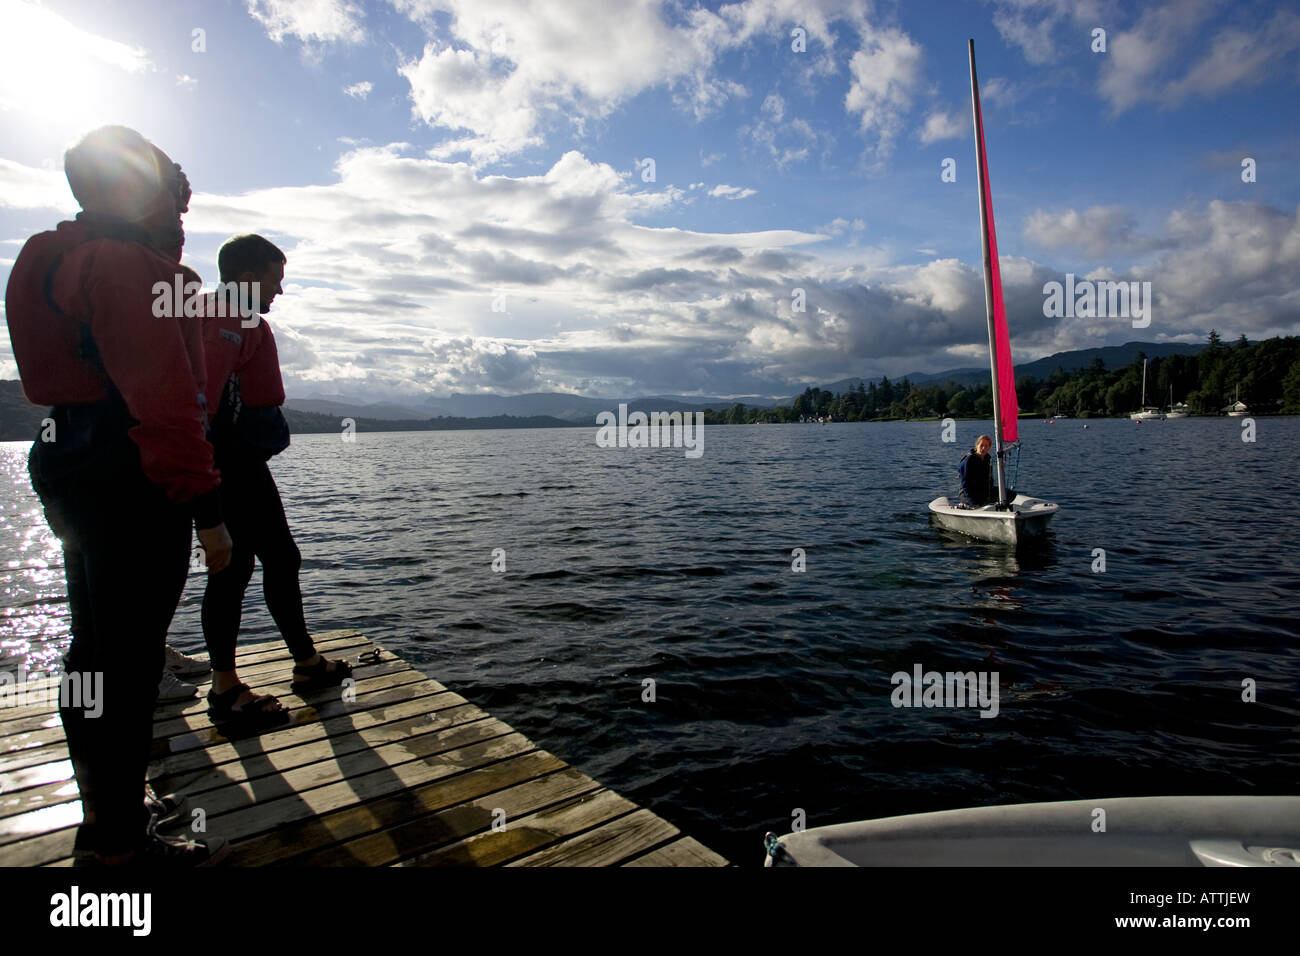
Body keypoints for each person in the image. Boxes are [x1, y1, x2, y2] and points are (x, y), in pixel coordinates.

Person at [4, 125, 232, 866]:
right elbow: (164, 405)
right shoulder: (132, 271)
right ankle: (119, 842)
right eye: (172, 191)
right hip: (128, 471)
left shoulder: (50, 259)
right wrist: (206, 511)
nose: (180, 210)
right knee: (129, 662)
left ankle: (106, 810)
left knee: (93, 651)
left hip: (67, 456)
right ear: (134, 187)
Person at [198, 234, 351, 731]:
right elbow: (203, 403)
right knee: (236, 570)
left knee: (275, 559)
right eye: (274, 280)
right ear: (246, 277)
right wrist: (207, 488)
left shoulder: (235, 320)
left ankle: (304, 664)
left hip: (240, 464)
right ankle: (227, 688)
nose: (278, 292)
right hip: (228, 465)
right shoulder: (223, 320)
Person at [958, 434, 997, 507]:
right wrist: (972, 502)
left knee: (1010, 494)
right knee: (977, 502)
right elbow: (965, 483)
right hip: (968, 493)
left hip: (982, 491)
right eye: (981, 445)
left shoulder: (988, 459)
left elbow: (990, 480)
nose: (983, 448)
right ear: (977, 445)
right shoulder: (969, 460)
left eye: (986, 446)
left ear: (989, 447)